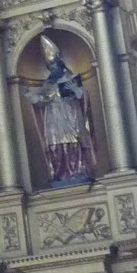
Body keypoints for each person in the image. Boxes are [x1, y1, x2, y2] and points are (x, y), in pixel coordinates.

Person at [29, 35, 96, 185]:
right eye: (50, 66)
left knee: (74, 142)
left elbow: (82, 96)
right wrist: (32, 97)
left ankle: (78, 170)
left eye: (54, 65)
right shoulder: (48, 84)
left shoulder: (70, 78)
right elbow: (41, 100)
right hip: (54, 119)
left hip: (70, 116)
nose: (53, 68)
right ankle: (60, 173)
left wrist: (75, 90)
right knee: (55, 145)